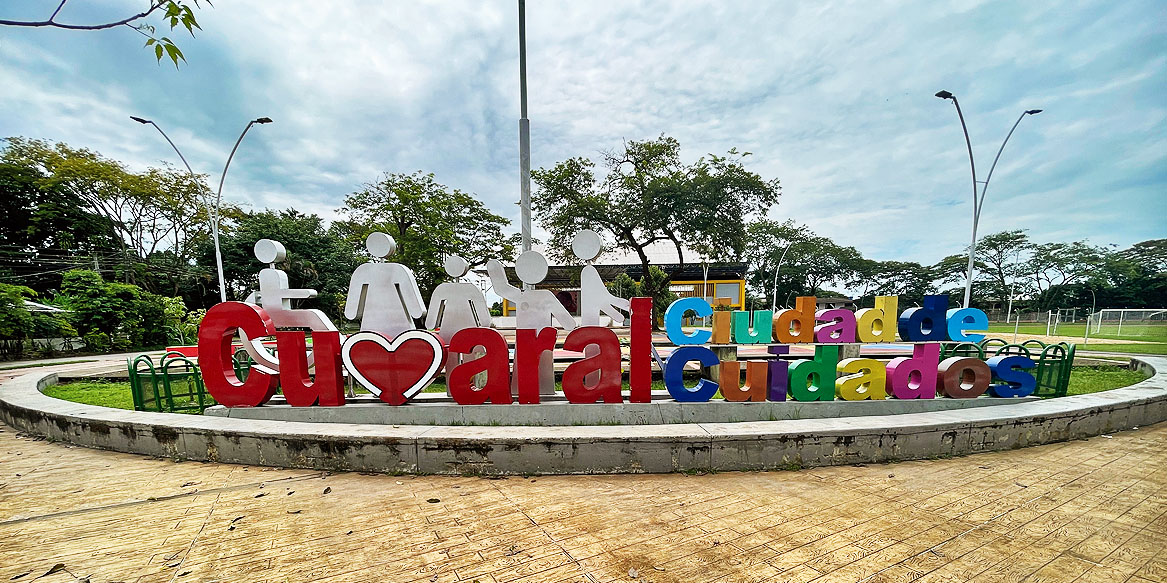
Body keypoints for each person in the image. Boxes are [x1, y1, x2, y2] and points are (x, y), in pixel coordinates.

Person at [486, 250, 576, 395]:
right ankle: (543, 390)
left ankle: (521, 390)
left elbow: (501, 288)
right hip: (542, 342)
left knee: (523, 370)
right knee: (543, 366)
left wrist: (494, 267)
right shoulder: (546, 296)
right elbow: (569, 323)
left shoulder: (522, 295)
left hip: (528, 342)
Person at [345, 232, 426, 339]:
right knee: (403, 342)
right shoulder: (398, 269)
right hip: (400, 325)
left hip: (370, 326)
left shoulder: (362, 271)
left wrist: (353, 312)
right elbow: (417, 310)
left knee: (370, 342)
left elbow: (351, 312)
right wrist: (417, 312)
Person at [426, 255, 492, 387]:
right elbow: (485, 319)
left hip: (447, 330)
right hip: (470, 329)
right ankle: (470, 387)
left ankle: (453, 388)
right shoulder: (471, 288)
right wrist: (483, 326)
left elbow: (430, 321)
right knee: (471, 357)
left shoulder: (442, 289)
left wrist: (432, 324)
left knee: (451, 359)